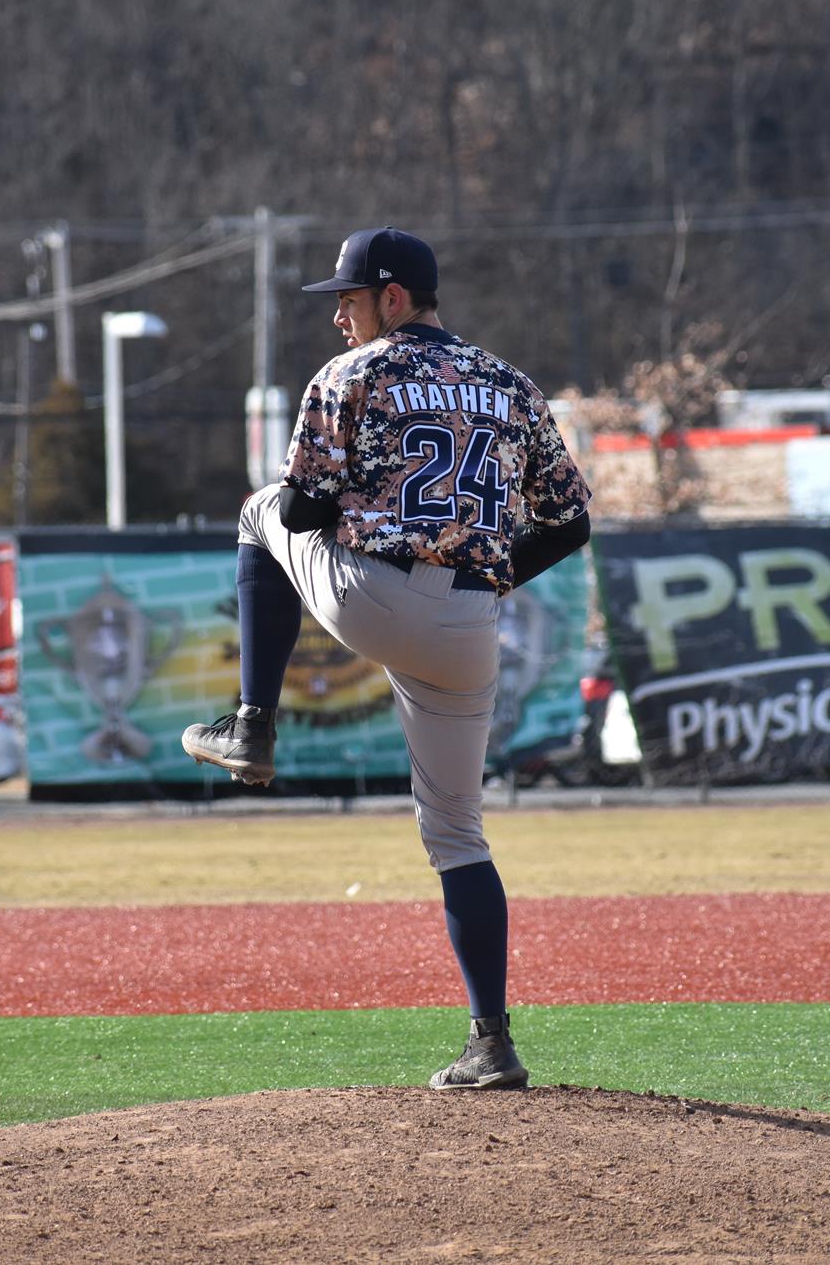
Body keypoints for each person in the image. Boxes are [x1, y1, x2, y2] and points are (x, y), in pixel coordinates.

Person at [182, 226, 592, 1091]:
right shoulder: (510, 383)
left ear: (392, 297)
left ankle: (253, 724)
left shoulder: (352, 374)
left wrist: (341, 508)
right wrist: (488, 581)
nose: (338, 313)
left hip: (372, 594)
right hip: (472, 621)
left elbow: (299, 513)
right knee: (458, 833)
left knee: (257, 511)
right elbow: (573, 522)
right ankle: (493, 1042)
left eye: (349, 296)